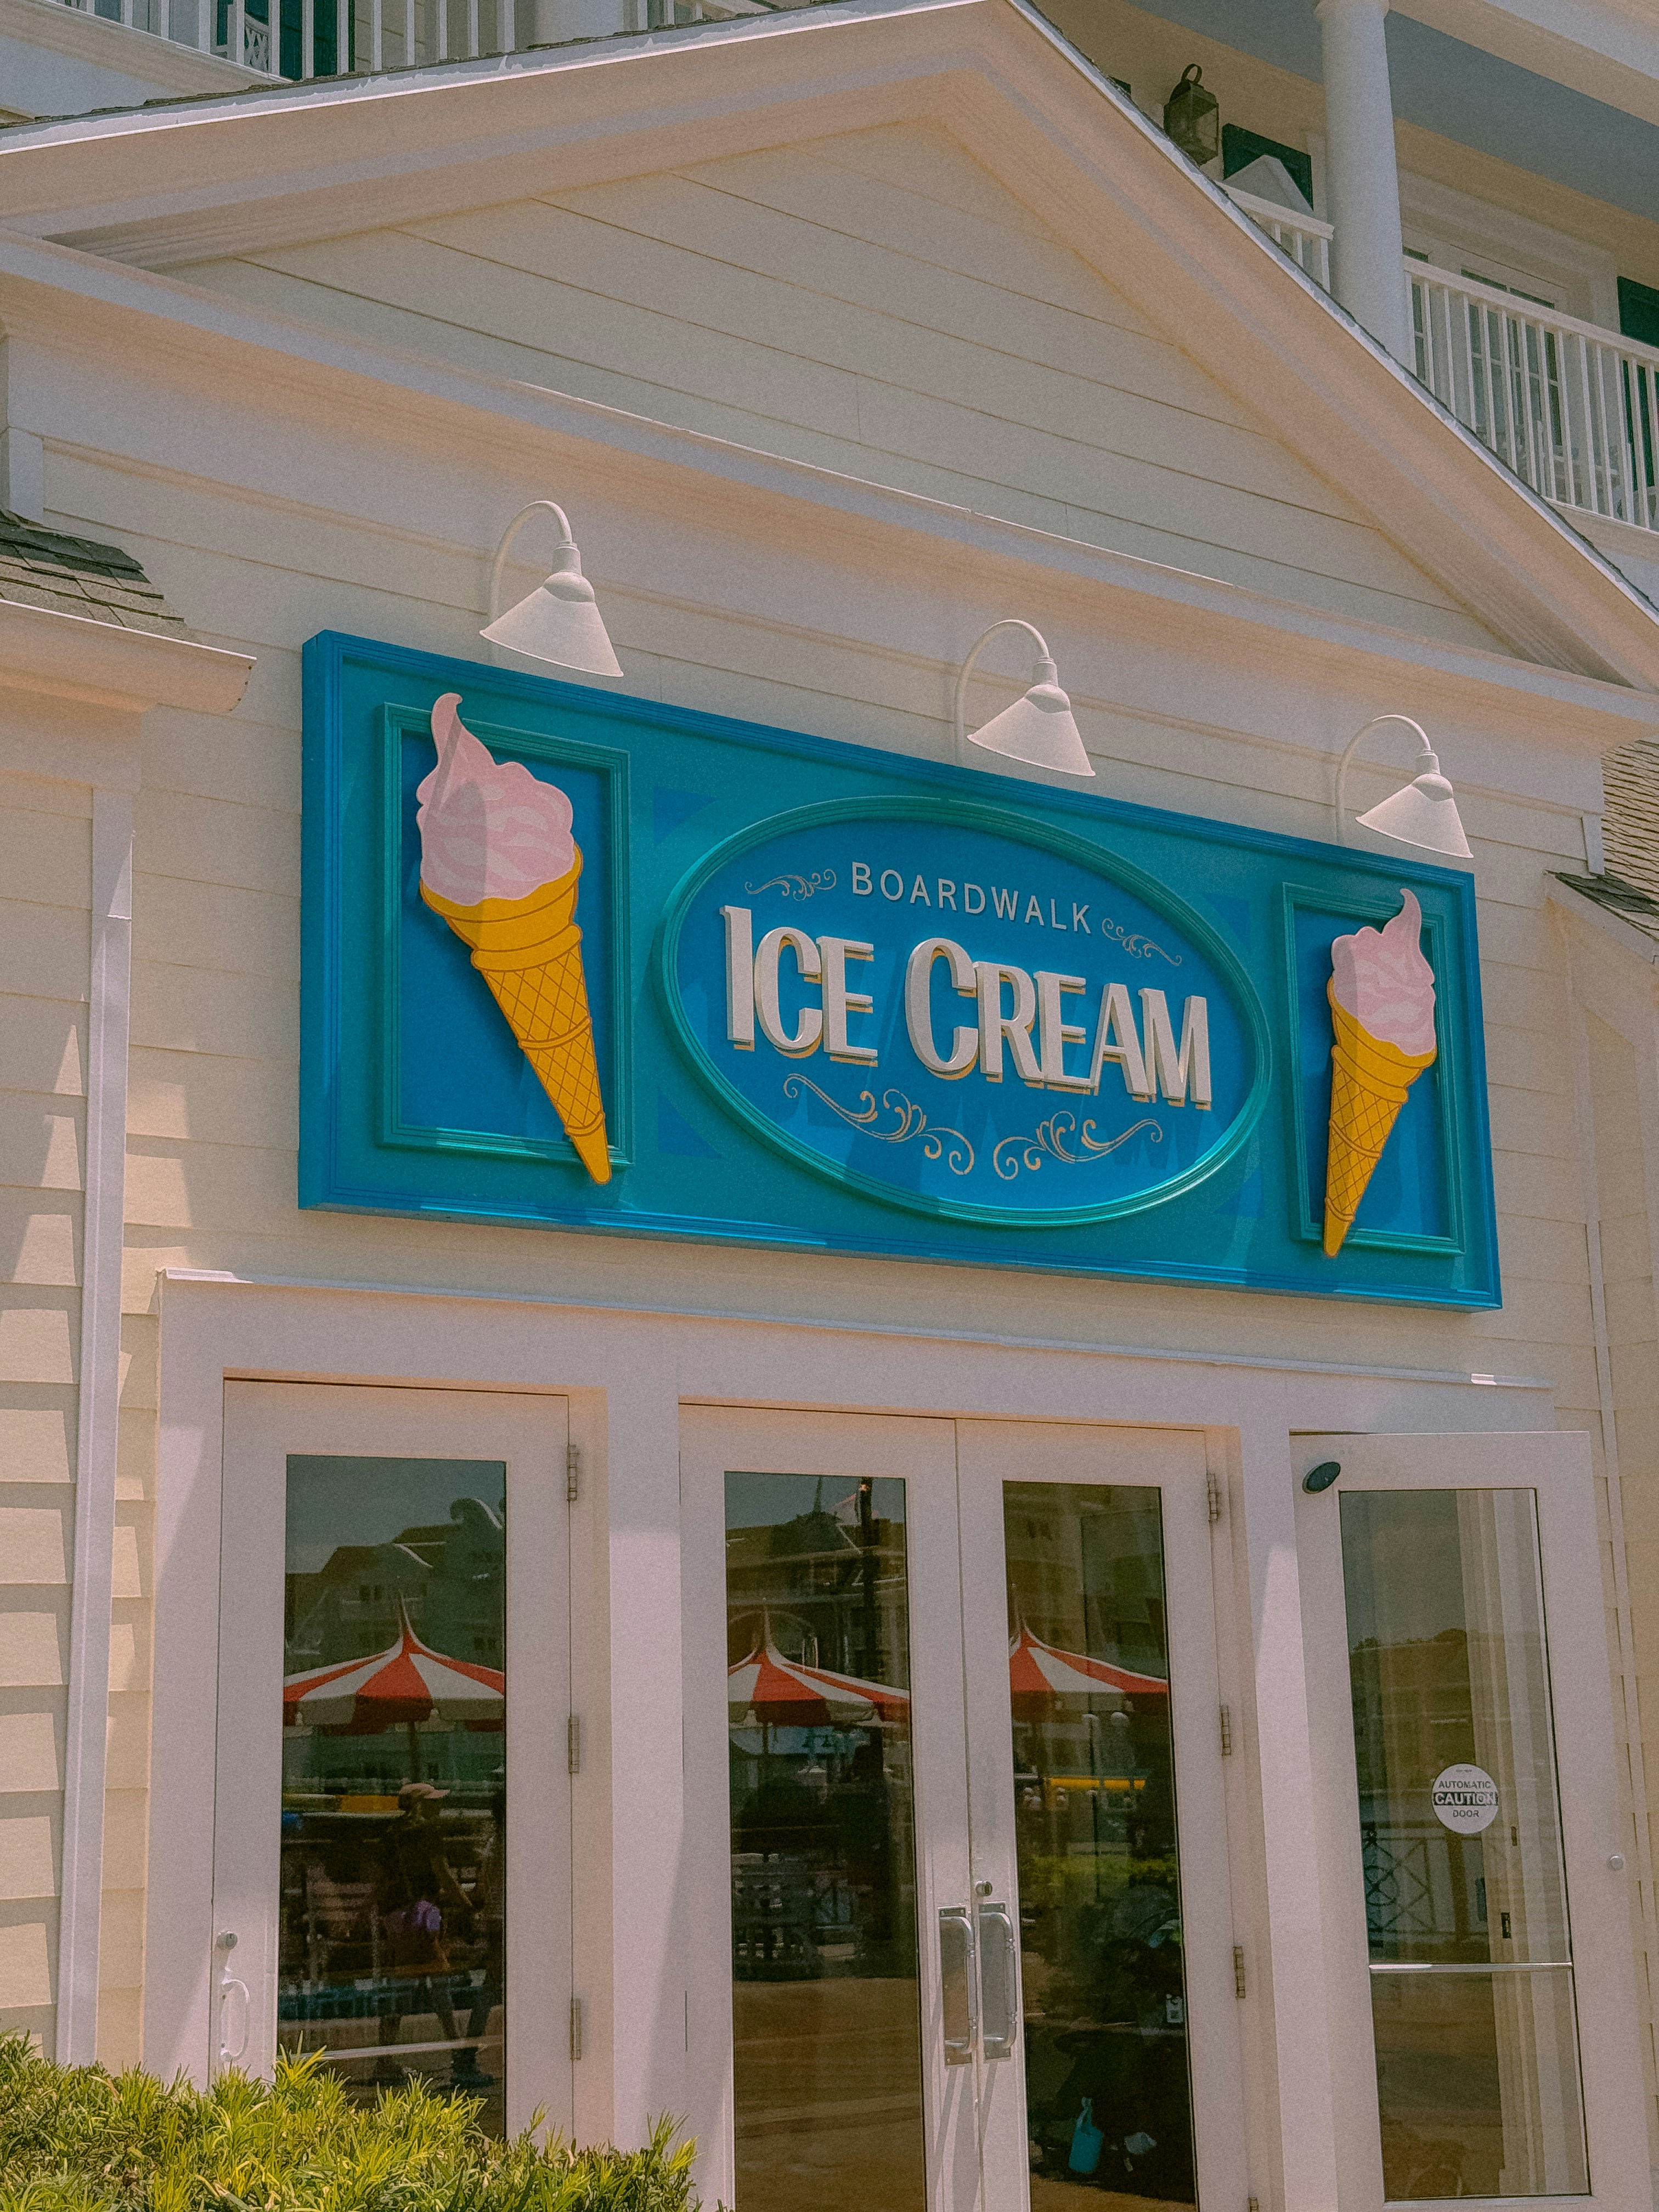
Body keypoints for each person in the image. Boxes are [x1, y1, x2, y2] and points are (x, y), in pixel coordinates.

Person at [375, 1780, 492, 2087]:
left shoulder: (390, 1835)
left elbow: (381, 1879)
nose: (439, 1807)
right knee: (439, 1985)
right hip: (421, 1916)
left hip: (395, 1917)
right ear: (420, 1805)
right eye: (433, 1802)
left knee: (402, 1989)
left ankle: (385, 2060)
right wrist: (468, 1908)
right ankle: (459, 2061)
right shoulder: (427, 1833)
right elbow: (444, 1876)